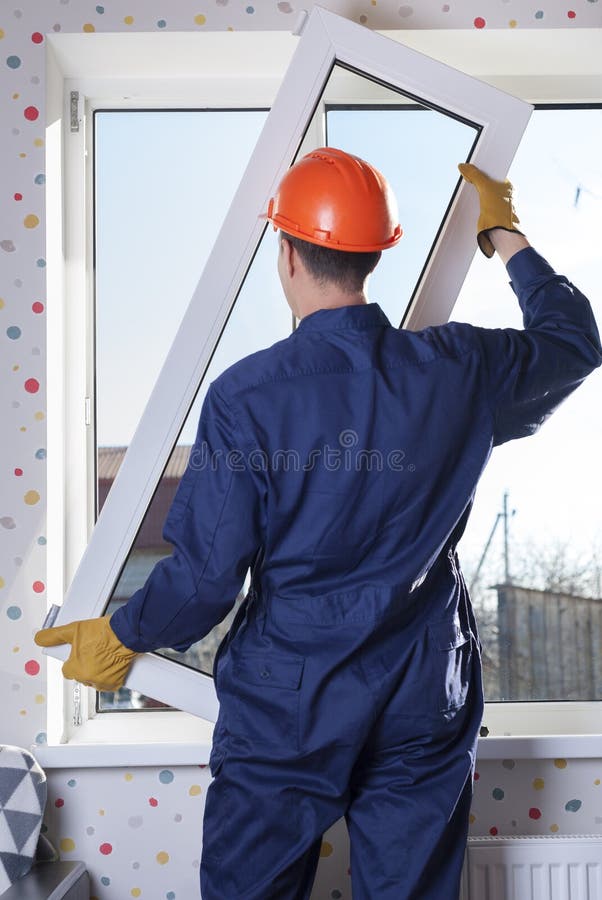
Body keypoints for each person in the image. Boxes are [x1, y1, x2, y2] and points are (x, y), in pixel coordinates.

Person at [36, 150, 601, 899]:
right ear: (377, 255)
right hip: (423, 688)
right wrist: (508, 238)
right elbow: (573, 343)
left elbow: (207, 580)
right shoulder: (458, 367)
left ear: (287, 256)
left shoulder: (248, 397)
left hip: (288, 699)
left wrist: (121, 635)